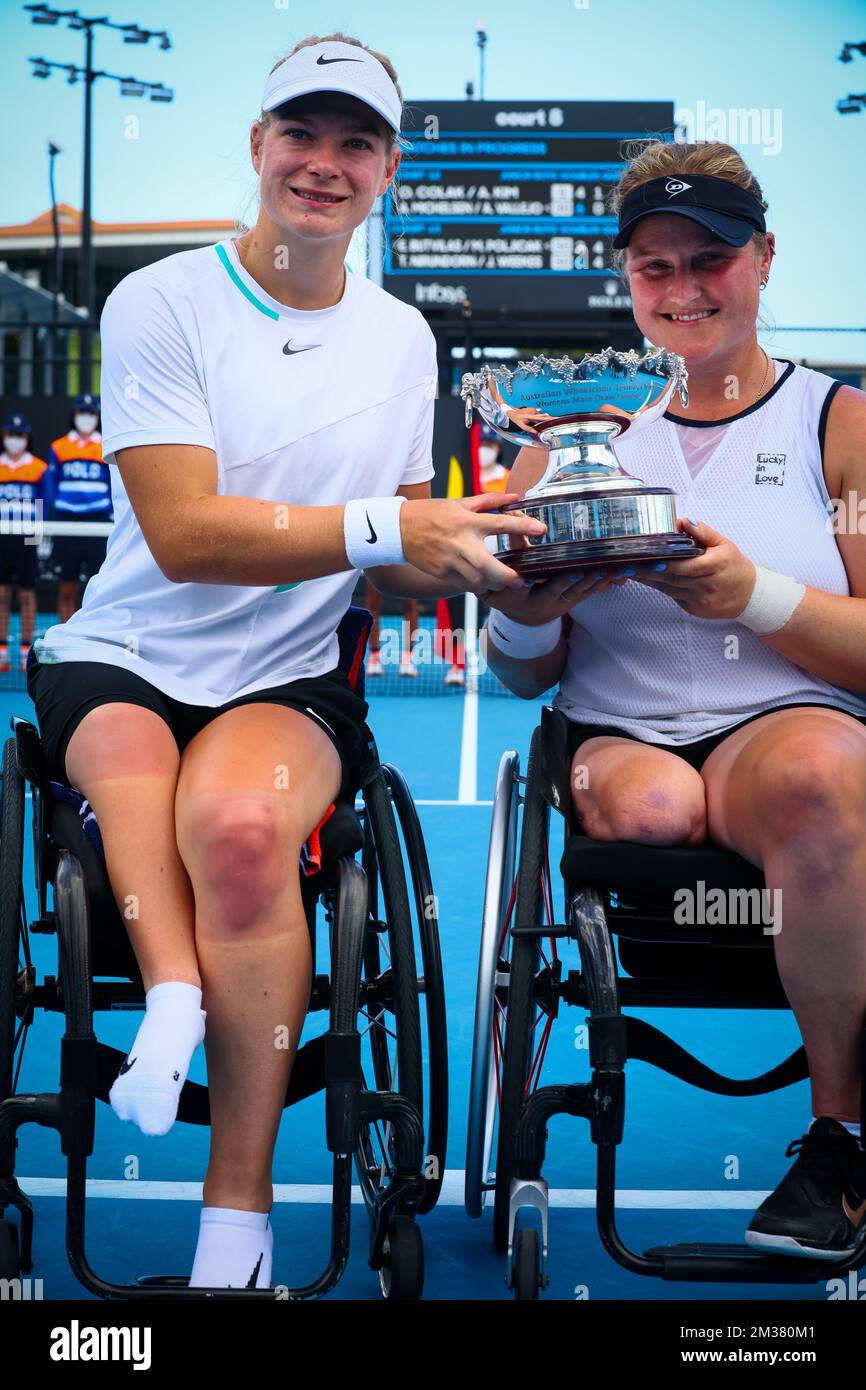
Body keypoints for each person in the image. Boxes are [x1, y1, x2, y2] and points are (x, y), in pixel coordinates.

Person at [26, 32, 538, 1290]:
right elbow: (190, 535)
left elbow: (398, 560)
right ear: (257, 150)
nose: (324, 162)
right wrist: (386, 527)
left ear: (386, 172)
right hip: (129, 646)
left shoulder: (404, 337)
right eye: (300, 135)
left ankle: (233, 1230)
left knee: (245, 833)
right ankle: (172, 1003)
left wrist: (510, 521)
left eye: (354, 141)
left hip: (288, 672)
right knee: (135, 773)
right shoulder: (158, 300)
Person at [483, 140, 866, 1262]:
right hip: (621, 736)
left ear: (764, 257)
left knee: (820, 774)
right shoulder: (566, 440)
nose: (685, 288)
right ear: (625, 279)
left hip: (783, 728)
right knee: (648, 809)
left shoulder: (835, 425)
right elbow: (517, 670)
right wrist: (533, 608)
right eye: (654, 267)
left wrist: (751, 593)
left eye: (711, 257)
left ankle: (839, 1140)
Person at [46, 392, 111, 621]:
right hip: (67, 524)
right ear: (74, 415)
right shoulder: (58, 447)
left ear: (98, 416)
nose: (86, 417)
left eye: (91, 413)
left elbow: (112, 484)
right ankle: (65, 638)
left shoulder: (106, 444)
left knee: (100, 587)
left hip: (99, 522)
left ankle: (98, 636)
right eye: (82, 412)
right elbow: (51, 487)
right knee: (66, 588)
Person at [0, 412, 51, 673]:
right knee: (2, 593)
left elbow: (45, 503)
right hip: (1, 537)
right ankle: (1, 653)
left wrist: (40, 538)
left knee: (27, 594)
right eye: (11, 434)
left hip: (26, 537)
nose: (15, 440)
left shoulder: (39, 467)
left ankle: (23, 650)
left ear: (27, 438)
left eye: (19, 435)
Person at [364, 575, 420, 676]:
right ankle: (374, 655)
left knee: (410, 603)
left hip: (405, 563)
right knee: (373, 602)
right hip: (377, 562)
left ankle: (407, 657)